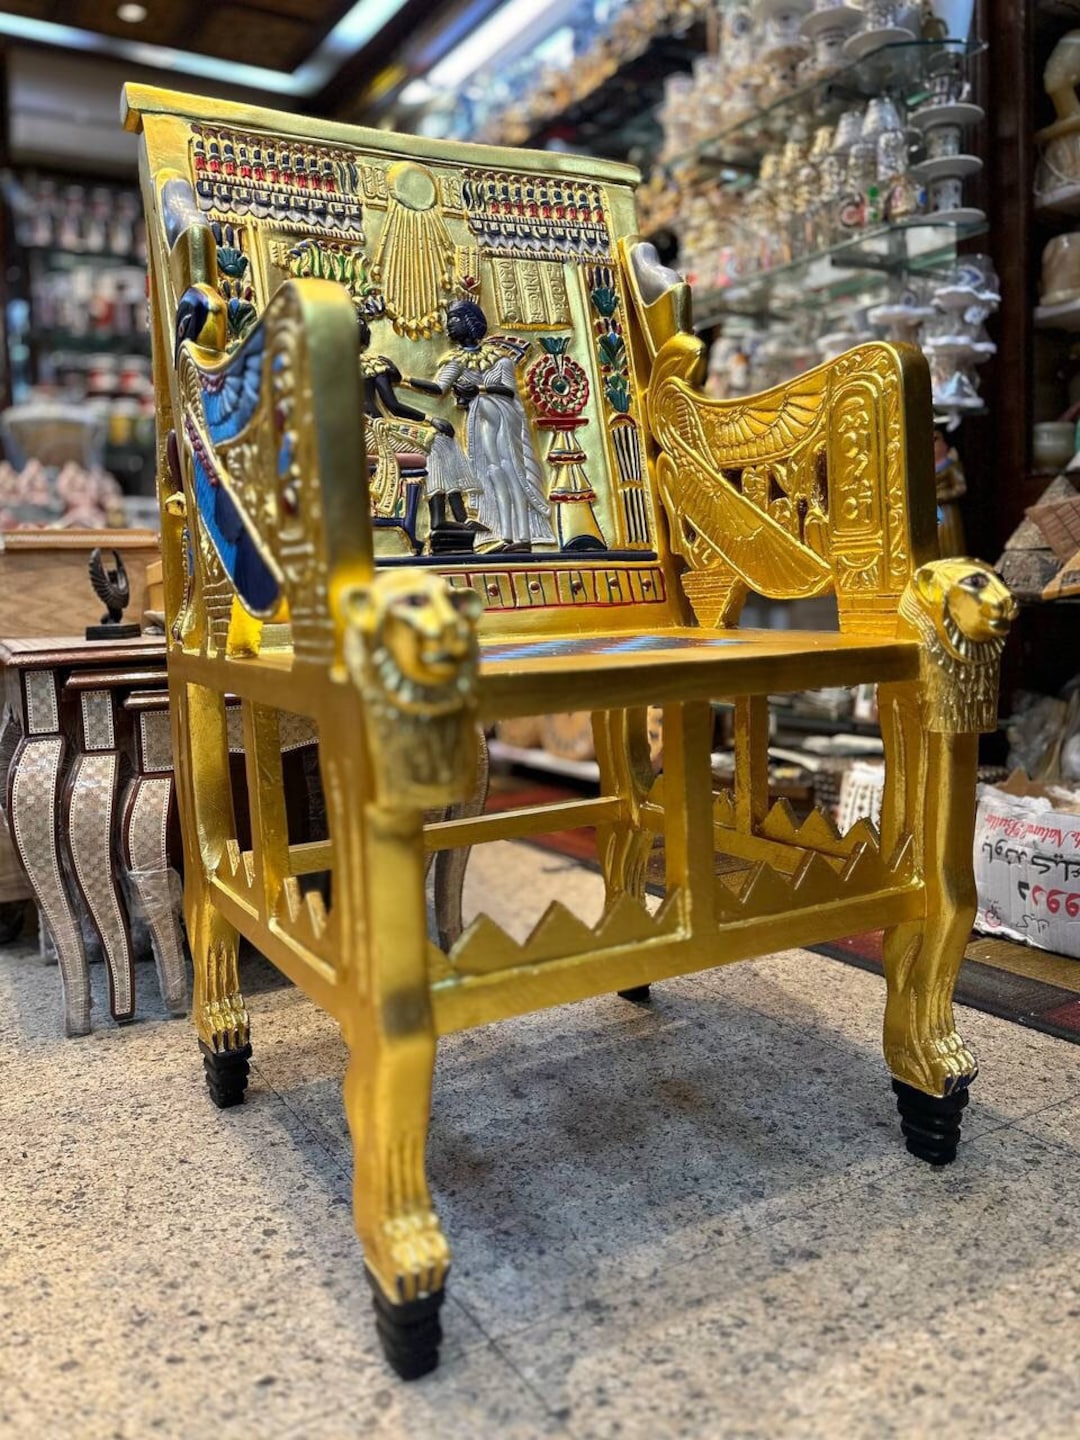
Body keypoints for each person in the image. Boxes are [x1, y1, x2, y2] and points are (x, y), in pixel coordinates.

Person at [414, 299, 555, 553]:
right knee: (492, 475)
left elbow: (509, 391)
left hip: (504, 419)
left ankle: (524, 536)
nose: (448, 326)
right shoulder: (456, 361)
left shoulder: (501, 360)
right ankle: (505, 536)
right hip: (480, 424)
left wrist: (478, 389)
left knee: (512, 473)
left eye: (454, 320)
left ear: (470, 322)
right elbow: (438, 388)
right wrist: (403, 380)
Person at [357, 314, 482, 548]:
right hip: (371, 433)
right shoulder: (372, 364)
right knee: (438, 440)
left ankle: (457, 516)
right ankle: (445, 517)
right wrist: (431, 419)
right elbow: (393, 407)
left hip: (356, 433)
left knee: (440, 440)